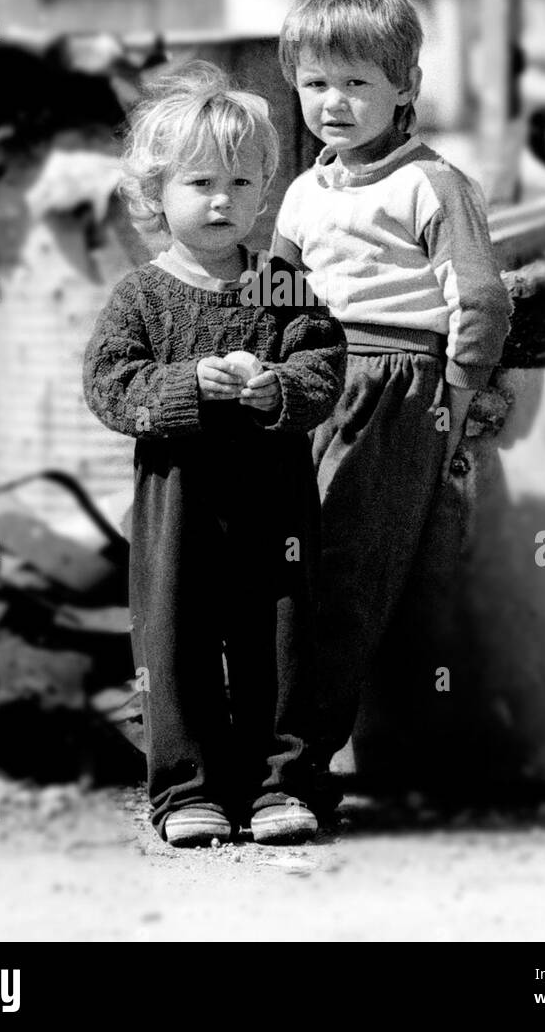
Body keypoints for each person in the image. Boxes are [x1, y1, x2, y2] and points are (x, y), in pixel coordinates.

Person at [82, 63, 346, 847]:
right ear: (155, 193)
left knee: (282, 638)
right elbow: (108, 385)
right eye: (200, 181)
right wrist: (185, 387)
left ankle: (281, 785)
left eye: (241, 180)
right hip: (179, 501)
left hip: (277, 500)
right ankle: (188, 789)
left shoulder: (281, 287)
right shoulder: (140, 296)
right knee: (175, 641)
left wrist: (279, 391)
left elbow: (323, 363)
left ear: (266, 190)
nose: (223, 199)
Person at [273, 0, 513, 797]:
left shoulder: (432, 184)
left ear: (405, 87)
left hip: (394, 389)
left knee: (348, 573)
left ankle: (300, 768)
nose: (332, 103)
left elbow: (477, 299)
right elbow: (280, 293)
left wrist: (451, 397)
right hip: (310, 385)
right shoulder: (303, 193)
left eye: (355, 83)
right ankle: (260, 743)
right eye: (314, 83)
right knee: (284, 569)